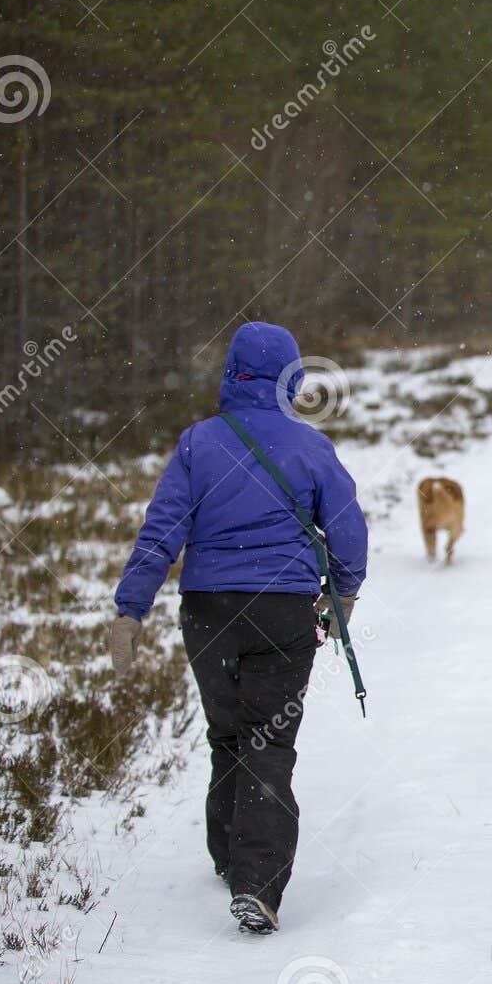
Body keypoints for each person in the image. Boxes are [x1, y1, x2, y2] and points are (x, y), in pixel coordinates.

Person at [109, 321, 367, 935]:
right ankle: (258, 883)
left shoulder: (199, 443)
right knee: (268, 742)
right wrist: (345, 593)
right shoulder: (310, 447)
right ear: (294, 380)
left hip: (209, 611)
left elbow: (162, 529)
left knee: (227, 733)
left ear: (231, 375)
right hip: (283, 612)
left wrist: (130, 609)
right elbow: (349, 528)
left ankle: (228, 854)